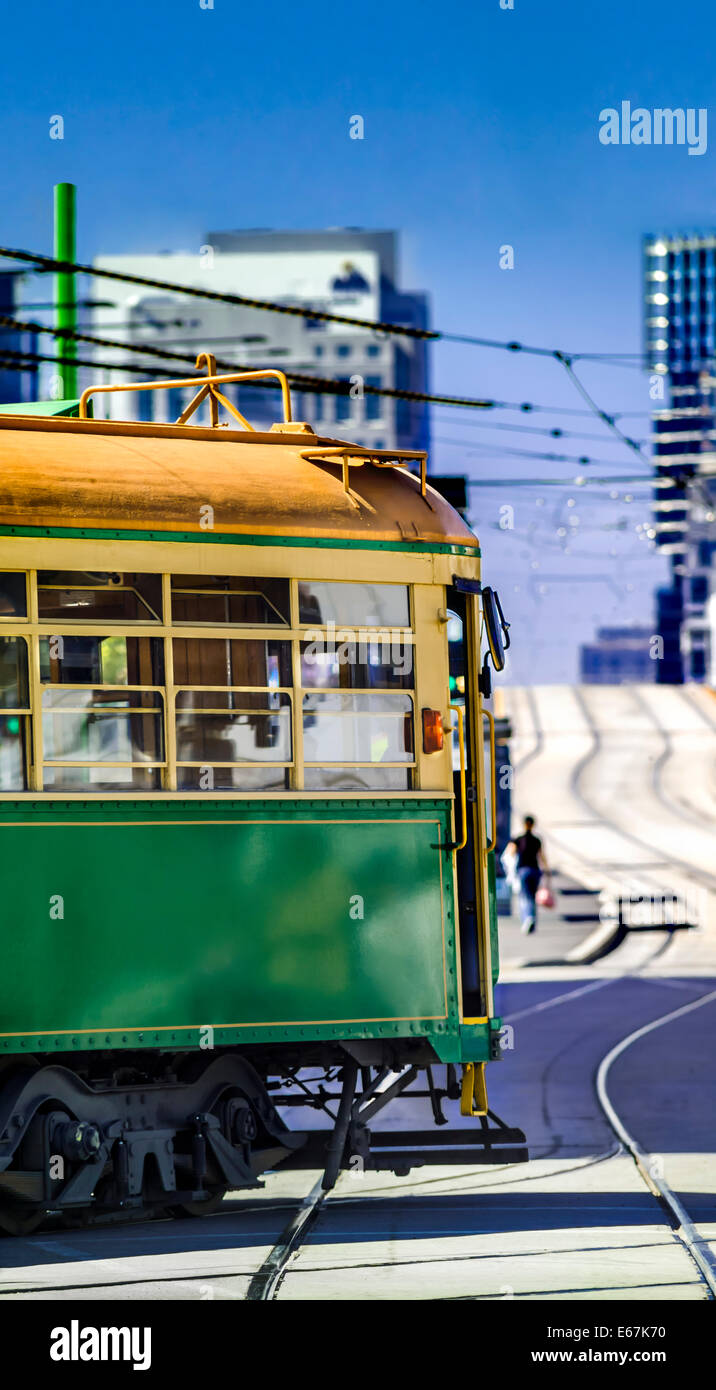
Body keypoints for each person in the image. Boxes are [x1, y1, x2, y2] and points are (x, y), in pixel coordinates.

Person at [507, 815, 551, 934]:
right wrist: (547, 871)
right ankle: (532, 920)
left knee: (524, 897)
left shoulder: (518, 839)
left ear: (524, 824)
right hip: (535, 871)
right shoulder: (537, 840)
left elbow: (510, 854)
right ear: (533, 825)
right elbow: (542, 857)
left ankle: (527, 919)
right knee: (532, 896)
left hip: (523, 871)